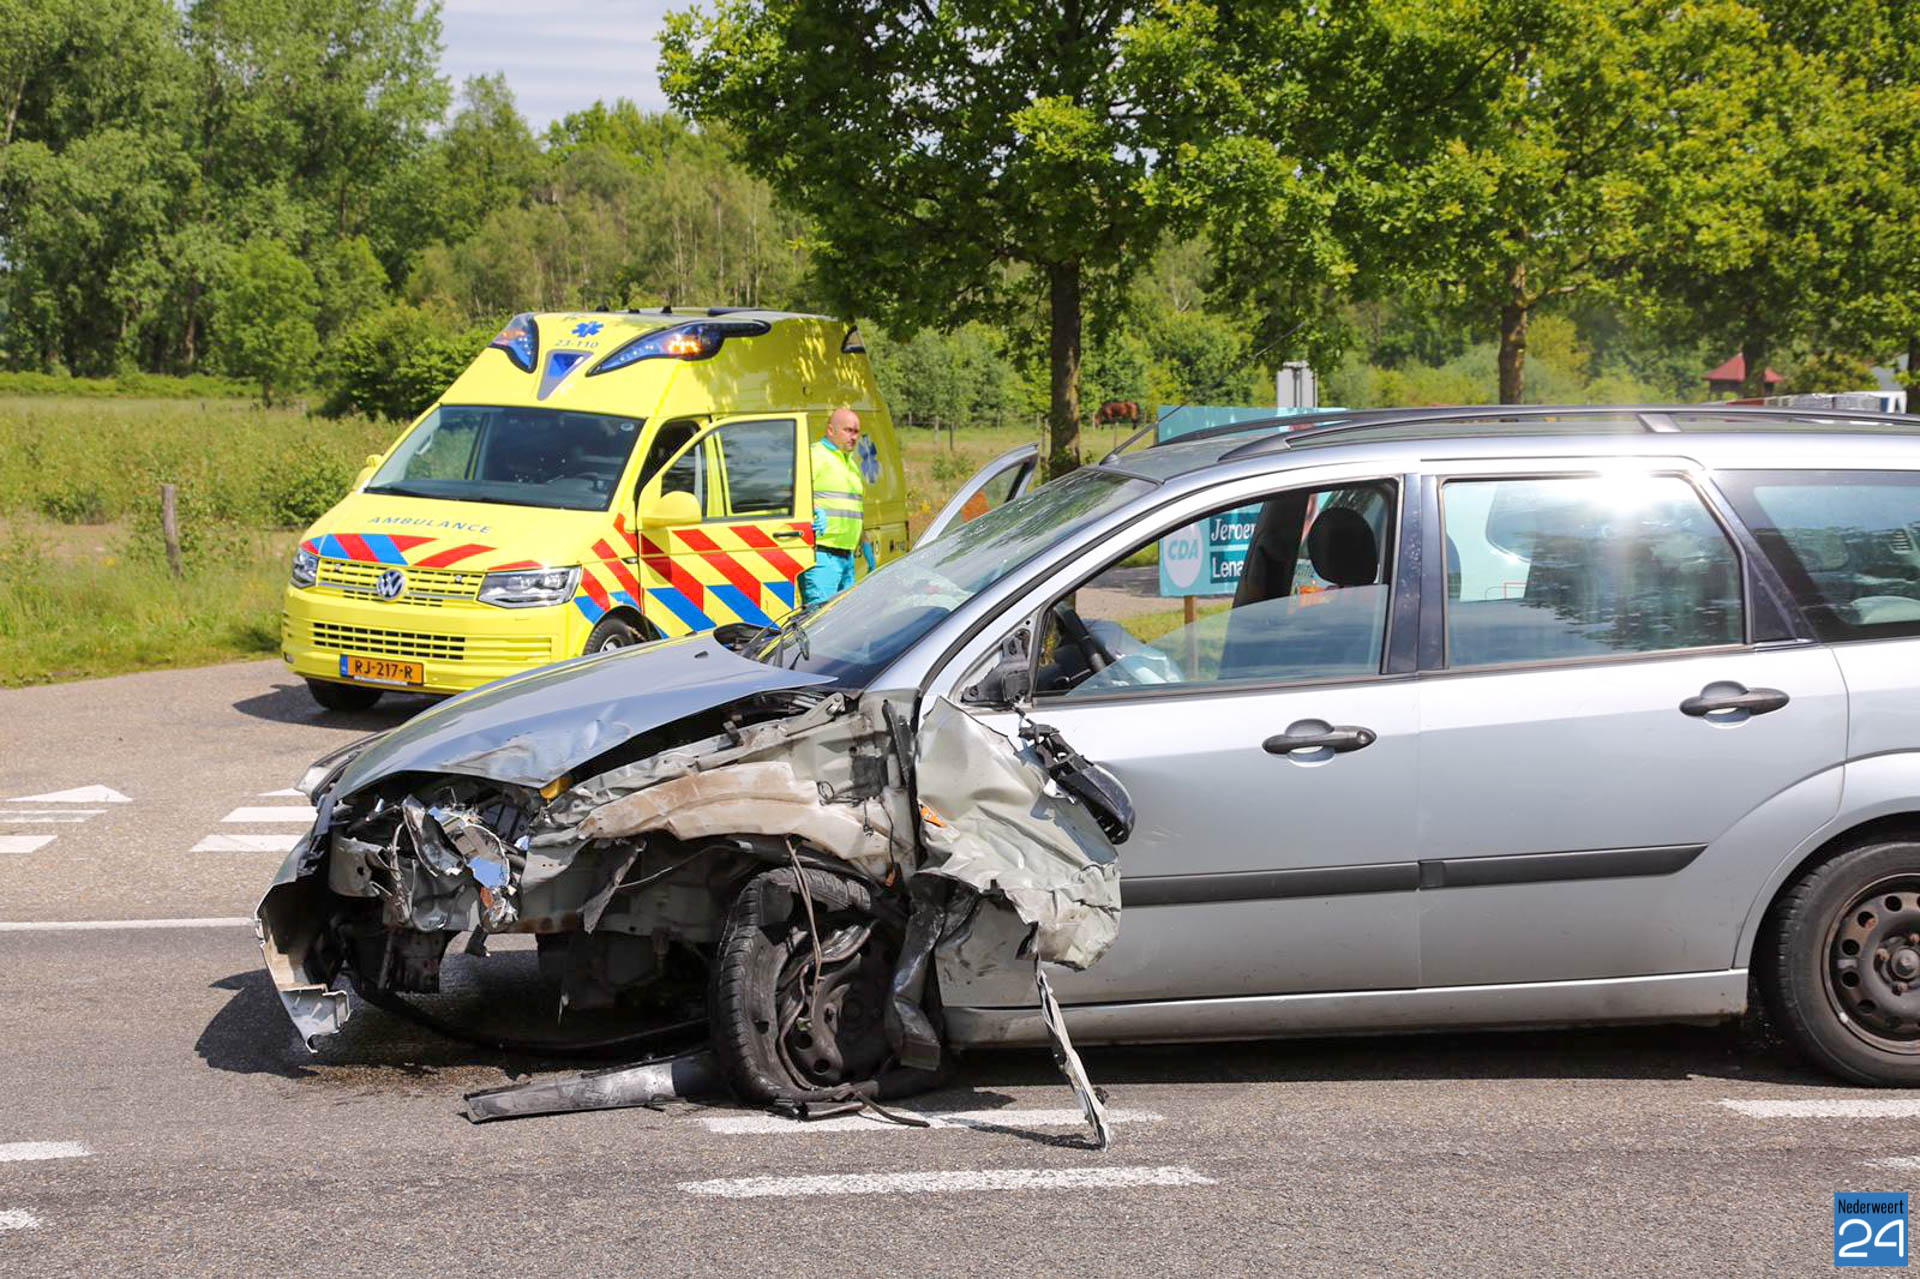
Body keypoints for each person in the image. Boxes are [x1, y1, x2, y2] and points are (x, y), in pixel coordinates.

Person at [801, 406, 875, 605]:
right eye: (848, 430)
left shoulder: (850, 463)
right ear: (831, 430)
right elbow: (792, 494)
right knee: (818, 620)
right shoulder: (815, 456)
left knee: (842, 625)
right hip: (821, 555)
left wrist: (866, 546)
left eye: (856, 431)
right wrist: (814, 510)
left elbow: (854, 511)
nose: (853, 436)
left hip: (847, 558)